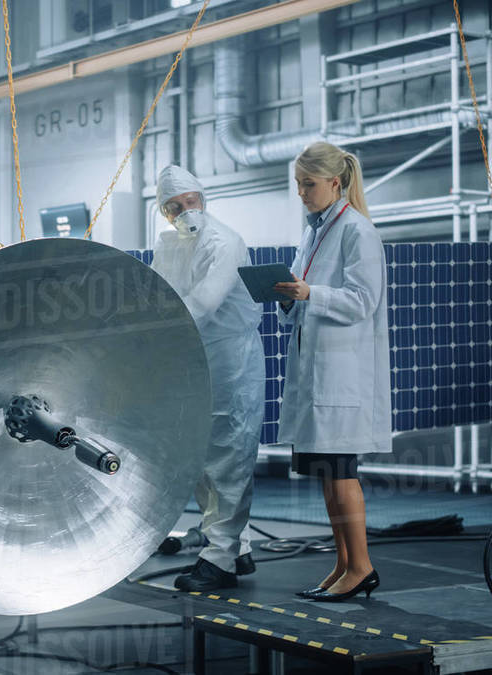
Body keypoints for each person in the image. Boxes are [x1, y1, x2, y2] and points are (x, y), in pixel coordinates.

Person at [272, 141, 391, 602]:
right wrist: (289, 297)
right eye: (298, 184)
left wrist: (310, 295)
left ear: (335, 183)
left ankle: (361, 566)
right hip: (315, 371)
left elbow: (364, 300)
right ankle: (343, 564)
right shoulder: (315, 232)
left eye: (308, 184)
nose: (301, 192)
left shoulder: (358, 231)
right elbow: (306, 296)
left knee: (341, 472)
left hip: (343, 375)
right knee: (327, 472)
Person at [150, 164, 265, 592]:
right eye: (173, 207)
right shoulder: (169, 245)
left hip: (231, 362)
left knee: (229, 457)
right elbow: (161, 293)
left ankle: (219, 561)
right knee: (201, 455)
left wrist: (153, 339)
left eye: (190, 201)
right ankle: (239, 546)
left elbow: (202, 303)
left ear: (203, 198)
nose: (184, 211)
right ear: (163, 212)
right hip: (193, 360)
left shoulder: (224, 242)